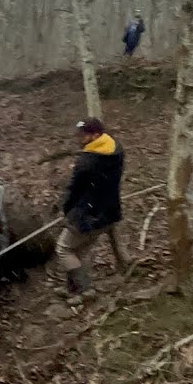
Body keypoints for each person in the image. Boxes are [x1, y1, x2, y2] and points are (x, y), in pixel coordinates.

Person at [57, 117, 127, 301]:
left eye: (83, 134)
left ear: (95, 135)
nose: (79, 137)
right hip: (110, 211)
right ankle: (73, 289)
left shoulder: (87, 162)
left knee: (64, 248)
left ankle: (85, 291)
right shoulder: (115, 150)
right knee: (80, 250)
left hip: (89, 215)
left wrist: (67, 210)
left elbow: (74, 189)